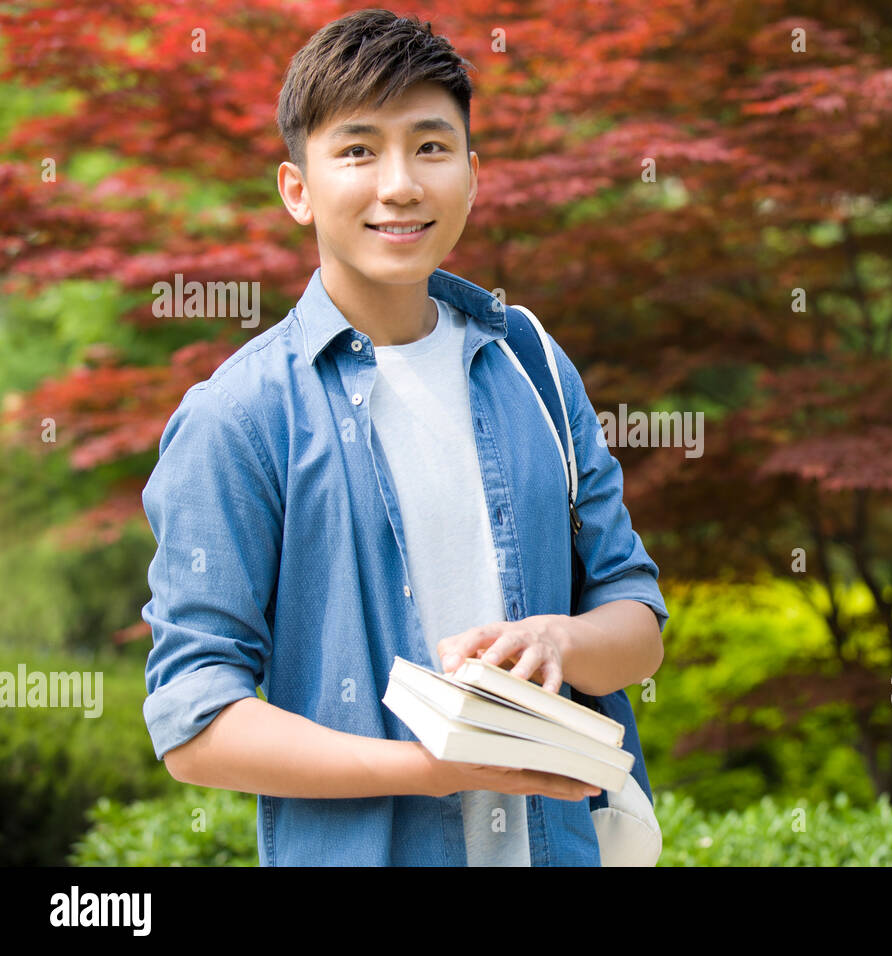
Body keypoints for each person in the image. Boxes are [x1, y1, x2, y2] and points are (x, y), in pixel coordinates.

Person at [139, 9, 668, 866]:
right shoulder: (237, 417)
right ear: (297, 188)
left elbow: (637, 622)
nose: (400, 184)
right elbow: (195, 723)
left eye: (430, 146)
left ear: (471, 171)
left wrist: (559, 641)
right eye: (357, 150)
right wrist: (430, 769)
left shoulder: (530, 362)